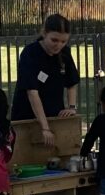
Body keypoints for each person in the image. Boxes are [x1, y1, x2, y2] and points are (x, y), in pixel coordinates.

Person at [18, 13, 82, 145]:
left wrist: (71, 107)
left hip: (55, 115)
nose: (58, 45)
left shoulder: (65, 53)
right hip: (27, 116)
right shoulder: (30, 54)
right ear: (44, 33)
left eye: (63, 42)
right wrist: (44, 127)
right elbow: (32, 92)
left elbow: (71, 83)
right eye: (54, 40)